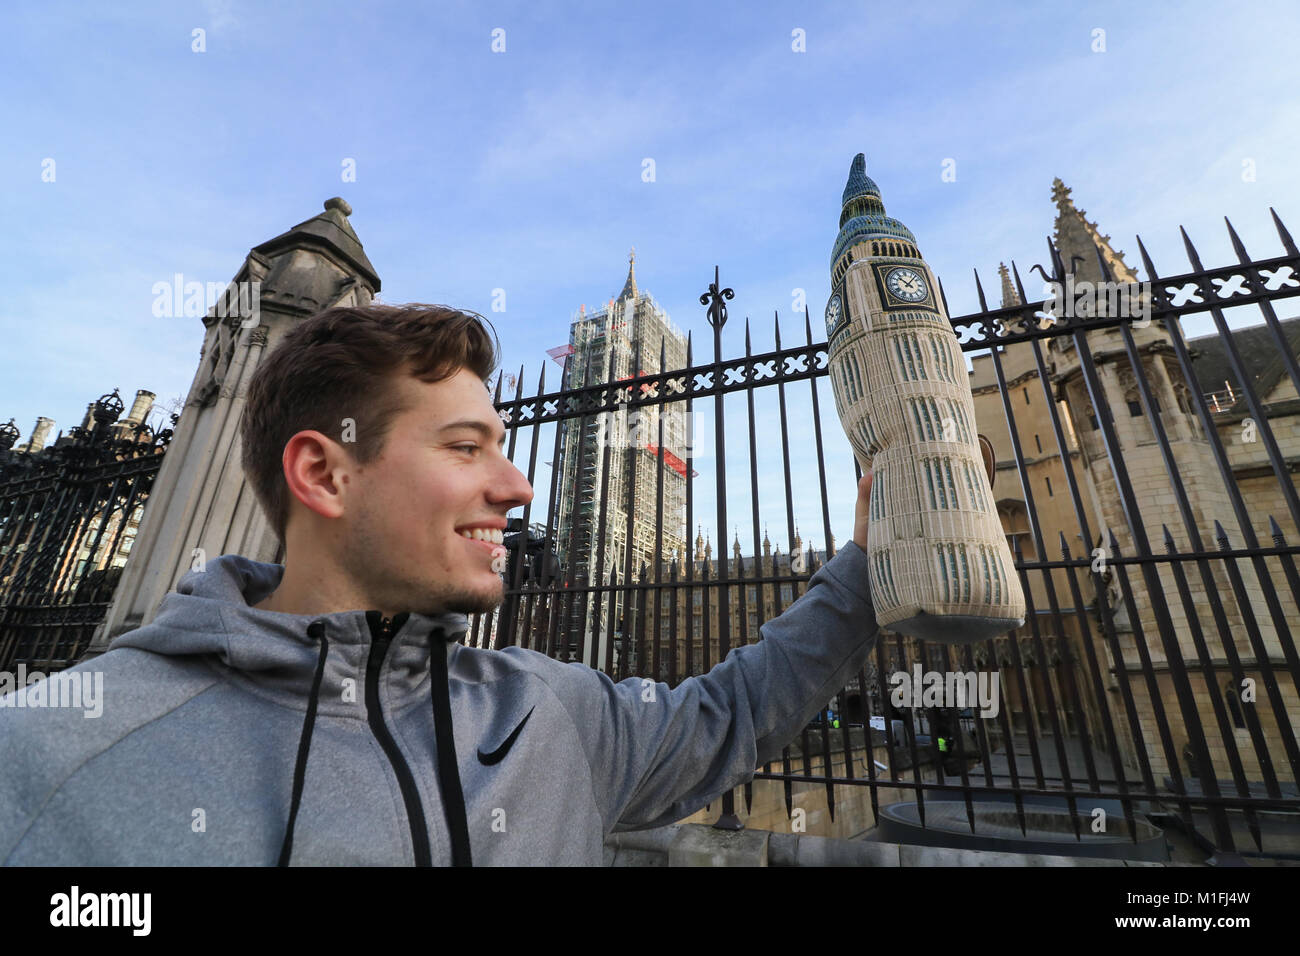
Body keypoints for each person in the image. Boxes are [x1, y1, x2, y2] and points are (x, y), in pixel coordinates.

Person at [0, 303, 879, 865]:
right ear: (325, 474)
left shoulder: (551, 713)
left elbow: (730, 715)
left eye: (502, 444)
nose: (517, 486)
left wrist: (867, 567)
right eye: (466, 448)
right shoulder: (54, 762)